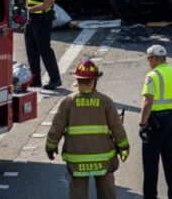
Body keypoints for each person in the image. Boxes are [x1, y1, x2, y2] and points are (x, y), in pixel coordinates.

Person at [45, 60, 130, 199]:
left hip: (77, 158)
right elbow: (117, 127)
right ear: (94, 80)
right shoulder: (105, 101)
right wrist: (124, 147)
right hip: (103, 157)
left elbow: (57, 127)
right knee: (106, 189)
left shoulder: (68, 101)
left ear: (77, 80)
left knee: (78, 191)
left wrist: (50, 146)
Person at [140, 44, 172, 199]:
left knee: (150, 162)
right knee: (171, 160)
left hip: (156, 122)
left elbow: (148, 101)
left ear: (155, 58)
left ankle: (150, 196)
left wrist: (142, 124)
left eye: (149, 58)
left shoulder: (153, 76)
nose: (148, 61)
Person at [24, 0, 62, 90]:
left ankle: (55, 79)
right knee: (31, 51)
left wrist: (31, 9)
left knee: (45, 50)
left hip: (42, 21)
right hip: (31, 20)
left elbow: (48, 3)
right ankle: (35, 80)